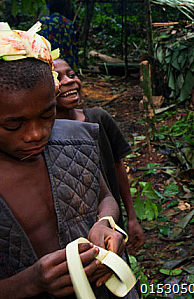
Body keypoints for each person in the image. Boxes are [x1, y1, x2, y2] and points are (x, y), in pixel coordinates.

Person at [0, 21, 138, 299]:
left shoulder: (78, 140)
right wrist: (29, 284)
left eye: (47, 114)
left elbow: (105, 195)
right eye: (13, 125)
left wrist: (105, 221)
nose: (36, 134)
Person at [53, 56, 145, 252]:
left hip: (109, 220)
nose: (68, 81)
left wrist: (132, 216)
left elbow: (117, 167)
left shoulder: (99, 119)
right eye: (57, 78)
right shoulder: (43, 136)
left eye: (71, 75)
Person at [40, 0, 79, 69]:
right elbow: (73, 45)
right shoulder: (68, 23)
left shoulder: (44, 21)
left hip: (49, 60)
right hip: (67, 61)